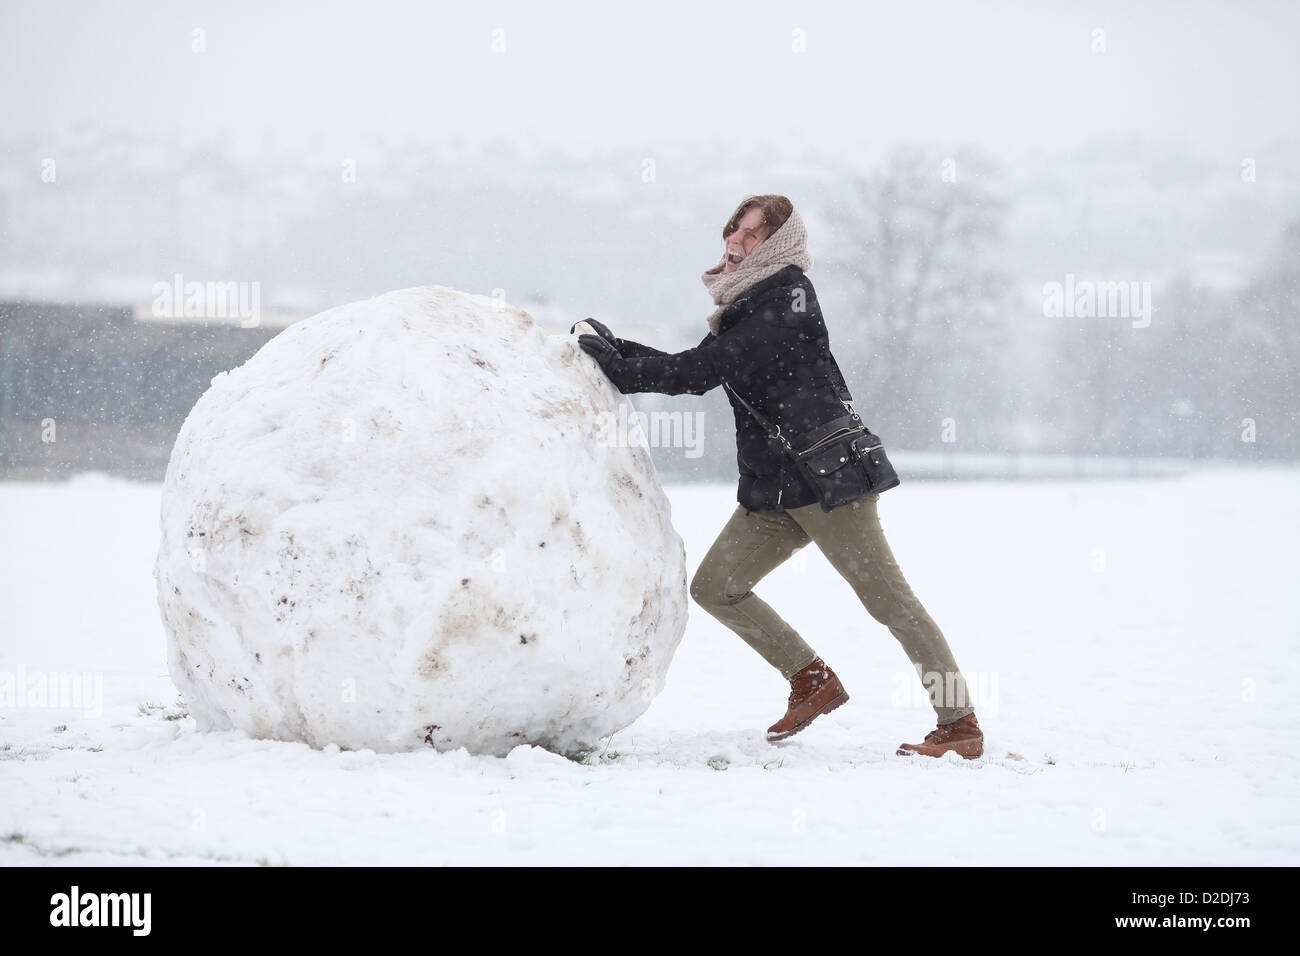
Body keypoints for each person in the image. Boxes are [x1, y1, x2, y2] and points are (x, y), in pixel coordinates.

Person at [575, 194, 982, 758]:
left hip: (827, 480)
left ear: (779, 244)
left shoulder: (787, 296)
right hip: (776, 487)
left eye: (751, 234)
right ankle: (811, 680)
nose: (734, 243)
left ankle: (959, 723)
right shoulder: (747, 302)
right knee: (717, 588)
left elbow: (701, 372)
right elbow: (698, 360)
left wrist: (620, 366)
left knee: (890, 603)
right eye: (733, 231)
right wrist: (616, 349)